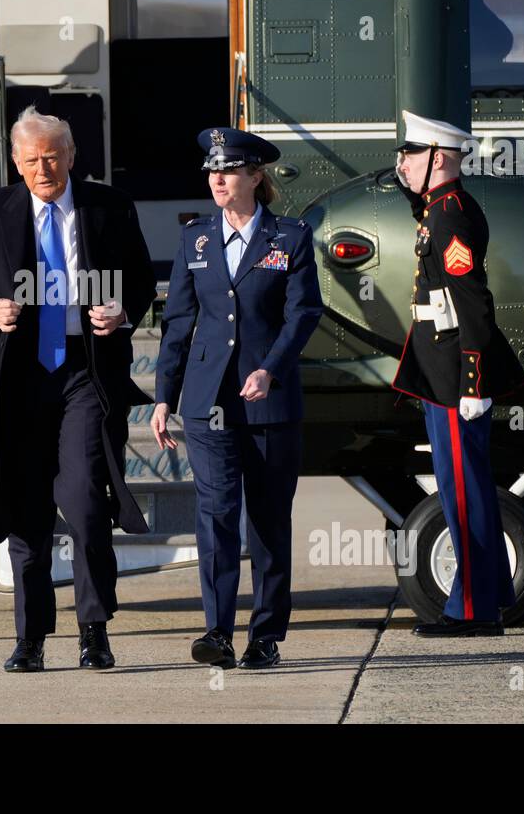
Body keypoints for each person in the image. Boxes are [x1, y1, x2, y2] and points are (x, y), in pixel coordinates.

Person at [0, 106, 156, 672]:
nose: (44, 168)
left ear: (71, 157)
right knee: (26, 514)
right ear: (16, 161)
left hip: (83, 375)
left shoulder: (107, 206)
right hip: (17, 382)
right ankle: (31, 638)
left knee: (85, 503)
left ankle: (93, 631)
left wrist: (122, 311)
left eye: (53, 157)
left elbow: (139, 276)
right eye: (32, 159)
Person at [150, 127, 323, 670]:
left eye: (228, 170)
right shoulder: (195, 238)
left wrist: (271, 367)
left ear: (255, 176)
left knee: (268, 522)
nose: (216, 179)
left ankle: (266, 636)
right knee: (216, 516)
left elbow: (303, 313)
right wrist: (163, 396)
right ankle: (218, 633)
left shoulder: (289, 238)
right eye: (211, 171)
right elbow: (178, 320)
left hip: (269, 403)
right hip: (207, 402)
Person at [390, 109, 524, 637]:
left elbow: (472, 301)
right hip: (439, 367)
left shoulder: (450, 214)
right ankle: (488, 596)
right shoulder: (440, 208)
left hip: (453, 375)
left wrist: (474, 382)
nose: (403, 161)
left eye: (413, 153)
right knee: (462, 488)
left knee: (464, 491)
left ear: (439, 158)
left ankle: (470, 610)